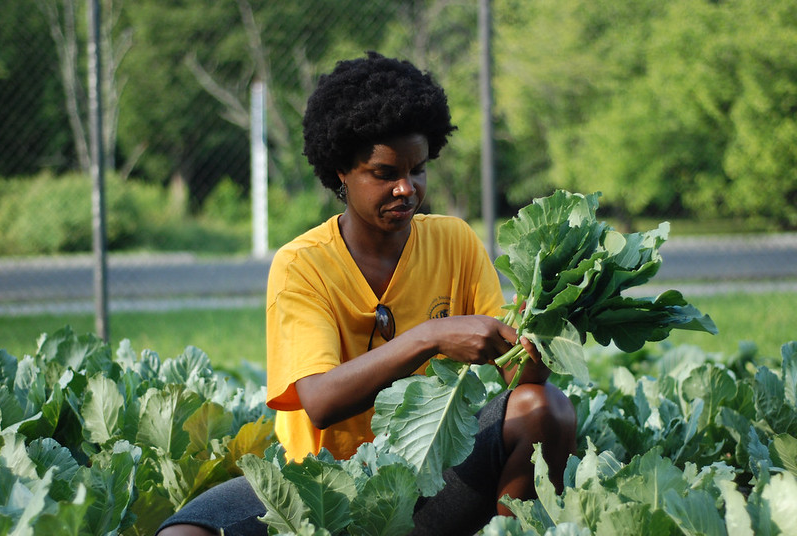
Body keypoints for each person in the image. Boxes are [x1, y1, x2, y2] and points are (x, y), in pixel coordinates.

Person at [158, 51, 576, 536]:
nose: (406, 188)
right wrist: (431, 337)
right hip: (319, 490)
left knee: (546, 408)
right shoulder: (302, 265)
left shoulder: (455, 241)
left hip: (429, 474)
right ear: (341, 170)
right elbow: (320, 400)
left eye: (417, 170)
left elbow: (519, 377)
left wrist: (541, 325)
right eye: (384, 173)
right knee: (183, 533)